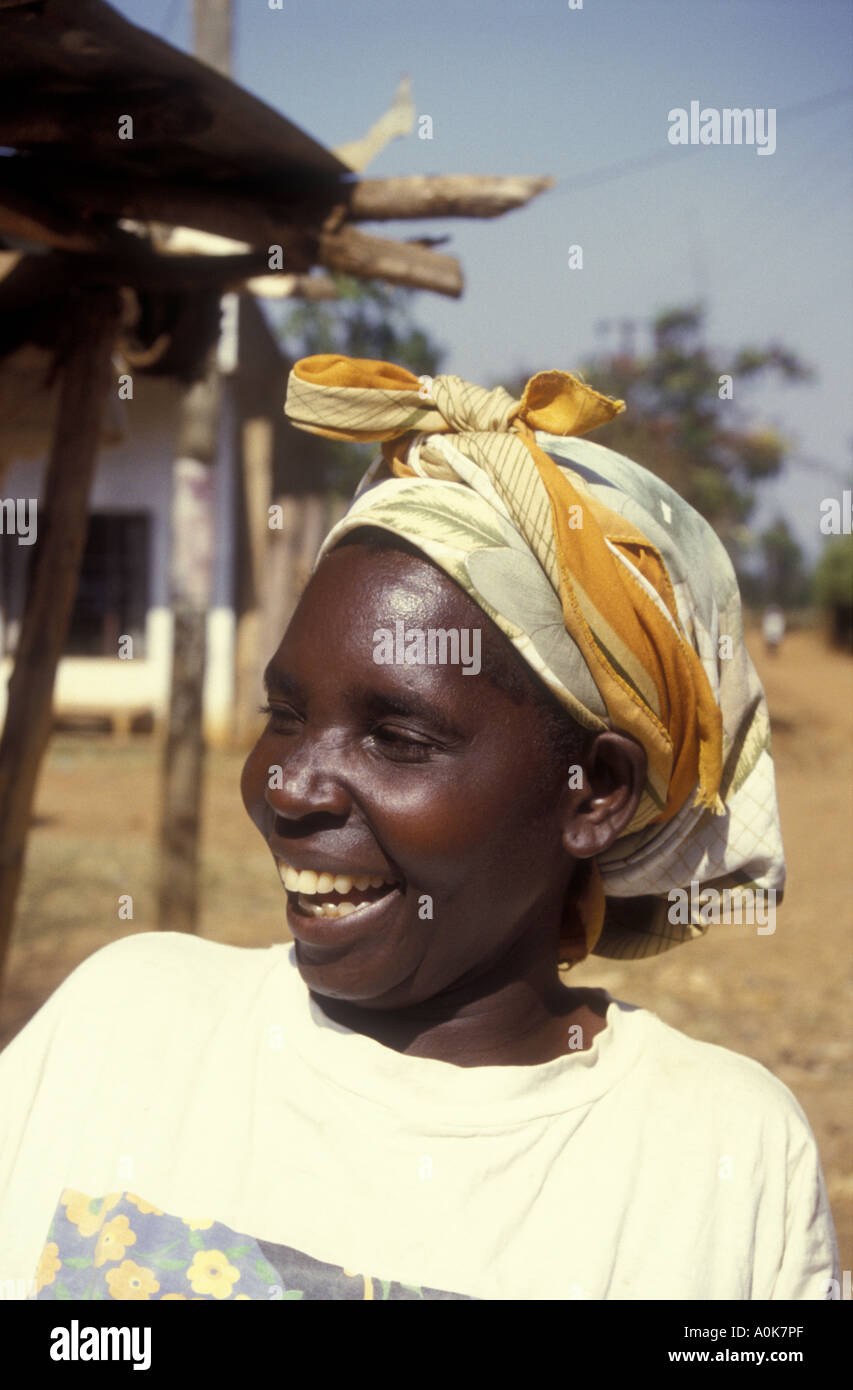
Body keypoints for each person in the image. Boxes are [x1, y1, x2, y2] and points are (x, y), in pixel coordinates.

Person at [0, 356, 838, 1301]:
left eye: (395, 737)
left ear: (592, 794)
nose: (289, 783)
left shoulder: (715, 1163)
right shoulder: (125, 1028)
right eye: (284, 712)